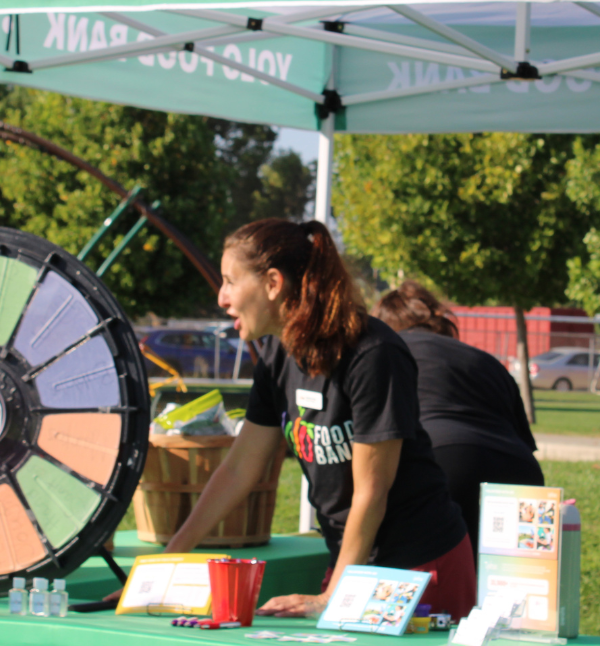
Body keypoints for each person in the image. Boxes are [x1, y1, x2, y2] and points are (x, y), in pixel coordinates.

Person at [162, 218, 475, 620]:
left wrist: (334, 598)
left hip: (419, 566)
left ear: (273, 283)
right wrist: (169, 563)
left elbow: (371, 493)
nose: (221, 297)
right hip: (352, 565)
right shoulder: (275, 357)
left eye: (229, 281)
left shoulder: (372, 353)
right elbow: (239, 469)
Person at [372, 280, 543, 561]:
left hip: (440, 459)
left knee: (430, 577)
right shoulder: (483, 359)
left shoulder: (385, 351)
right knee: (513, 584)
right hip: (518, 468)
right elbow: (523, 439)